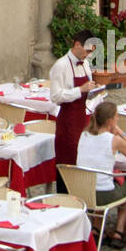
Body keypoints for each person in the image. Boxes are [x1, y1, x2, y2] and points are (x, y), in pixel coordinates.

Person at [77, 100, 126, 247]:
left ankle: (97, 228)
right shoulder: (114, 140)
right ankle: (119, 231)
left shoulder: (84, 135)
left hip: (83, 191)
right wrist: (121, 133)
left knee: (100, 180)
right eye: (117, 117)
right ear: (111, 121)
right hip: (103, 193)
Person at [49, 30, 101, 191]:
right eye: (87, 51)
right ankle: (64, 198)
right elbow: (55, 96)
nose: (88, 54)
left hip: (82, 119)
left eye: (91, 51)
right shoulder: (61, 65)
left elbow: (86, 89)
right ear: (77, 44)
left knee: (82, 158)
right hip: (67, 120)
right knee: (67, 160)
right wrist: (80, 90)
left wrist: (93, 90)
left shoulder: (85, 64)